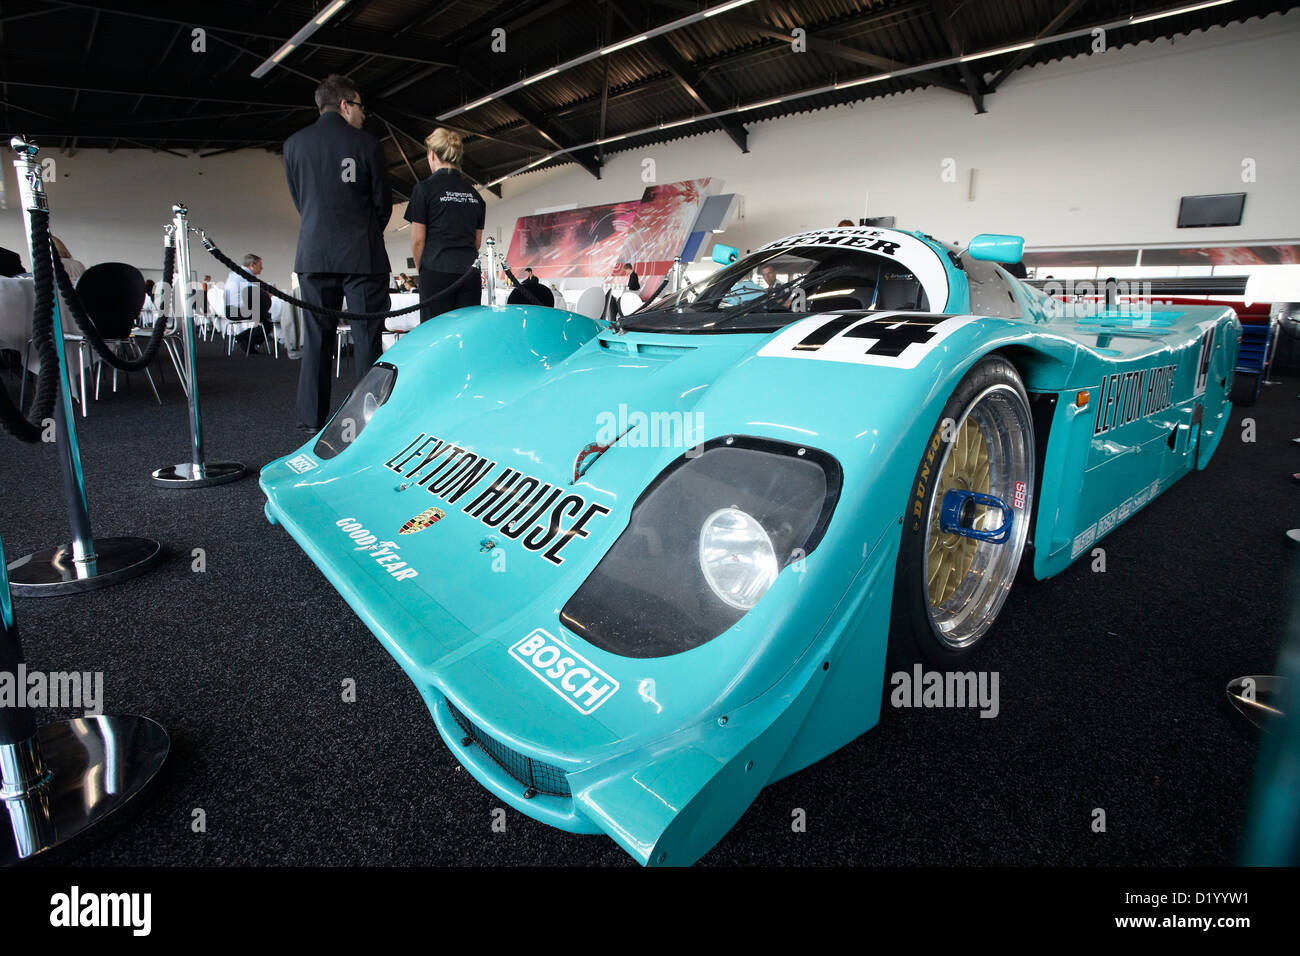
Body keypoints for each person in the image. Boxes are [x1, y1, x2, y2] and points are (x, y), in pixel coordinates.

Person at [283, 73, 392, 432]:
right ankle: (368, 422)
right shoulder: (367, 144)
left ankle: (312, 420)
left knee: (317, 339)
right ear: (345, 105)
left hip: (313, 255)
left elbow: (301, 200)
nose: (363, 114)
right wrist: (360, 231)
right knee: (366, 339)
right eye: (360, 106)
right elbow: (382, 205)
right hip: (362, 255)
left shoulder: (294, 145)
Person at [405, 127, 484, 322]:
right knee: (466, 333)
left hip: (436, 271)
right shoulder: (475, 195)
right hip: (468, 273)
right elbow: (477, 241)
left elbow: (417, 241)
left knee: (435, 333)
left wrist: (422, 271)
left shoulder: (424, 189)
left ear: (431, 154)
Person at [225, 253, 272, 354]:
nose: (262, 268)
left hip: (230, 310)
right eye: (260, 265)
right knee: (269, 320)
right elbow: (259, 295)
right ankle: (244, 337)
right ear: (252, 265)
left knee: (265, 317)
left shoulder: (235, 274)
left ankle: (248, 342)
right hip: (238, 311)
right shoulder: (246, 276)